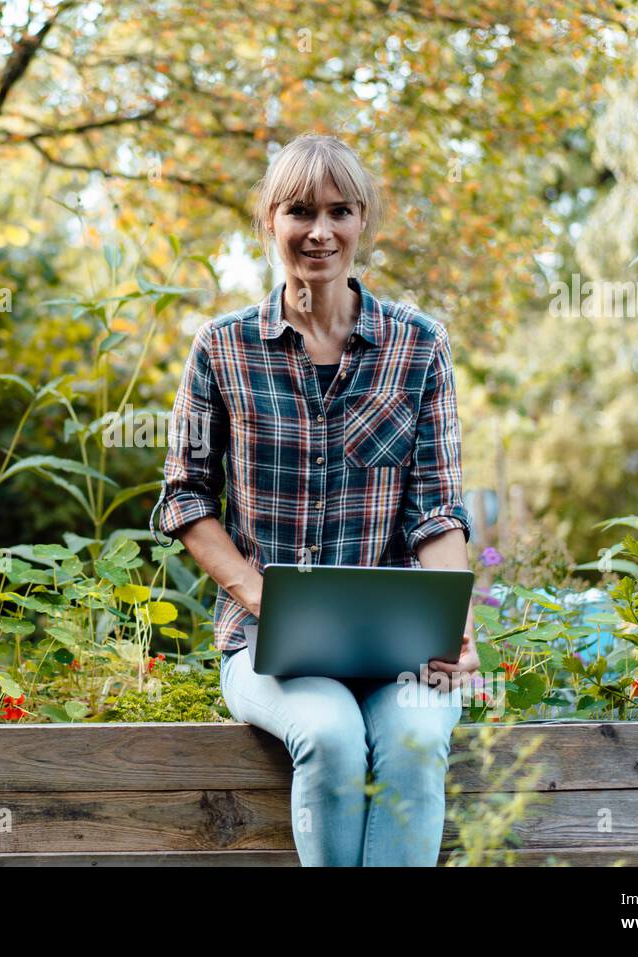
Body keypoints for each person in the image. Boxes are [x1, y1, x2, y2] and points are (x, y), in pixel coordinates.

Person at [148, 133, 479, 866]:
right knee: (329, 737)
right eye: (300, 211)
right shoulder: (222, 347)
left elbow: (436, 509)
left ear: (364, 221)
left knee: (419, 738)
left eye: (340, 211)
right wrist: (262, 594)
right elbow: (185, 499)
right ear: (270, 220)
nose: (319, 231)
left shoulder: (418, 346)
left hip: (395, 644)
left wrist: (452, 622)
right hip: (270, 645)